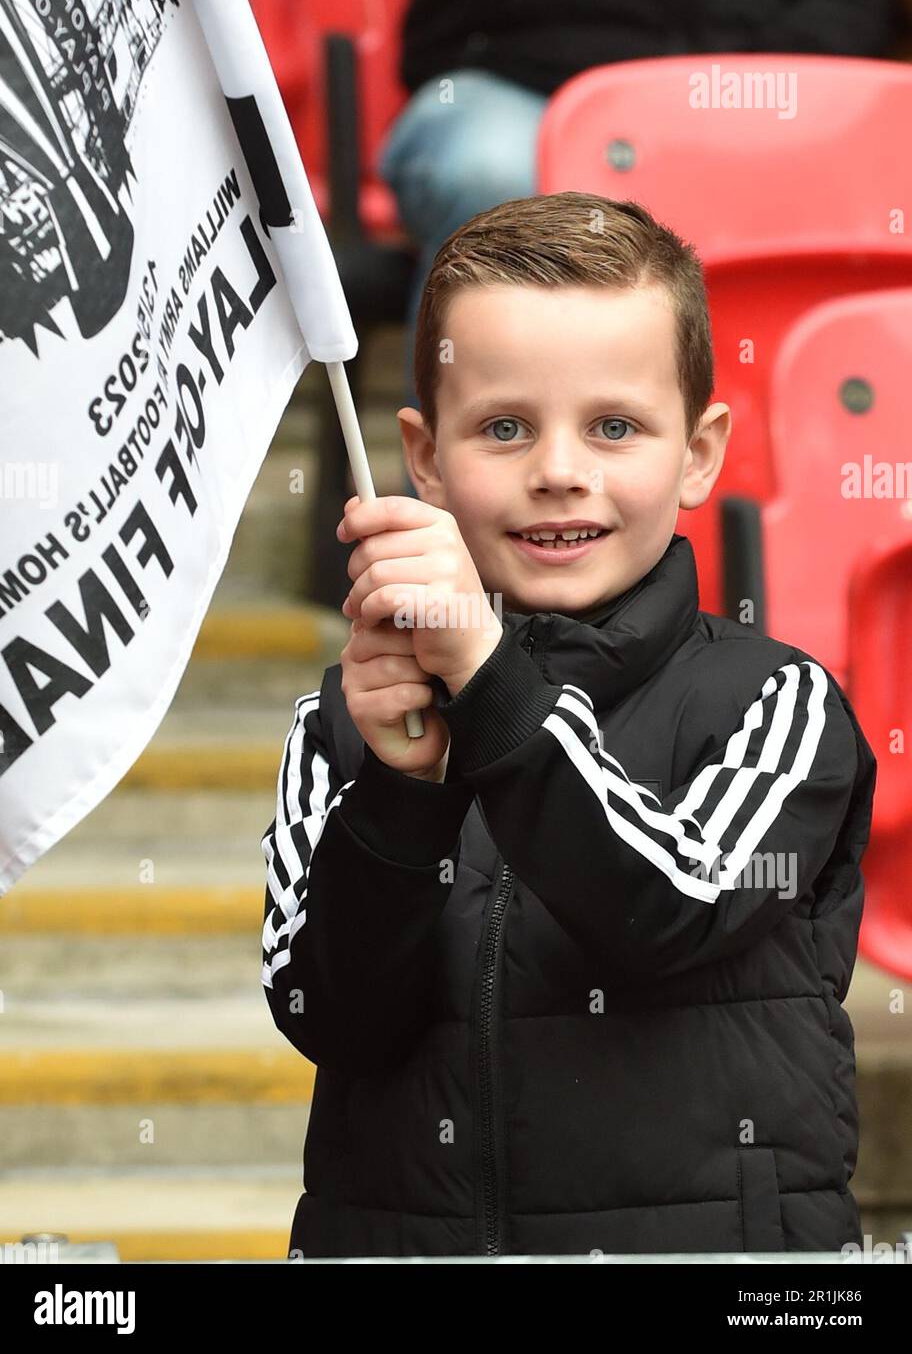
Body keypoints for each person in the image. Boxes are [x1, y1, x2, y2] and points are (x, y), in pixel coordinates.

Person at [260, 192, 876, 1257]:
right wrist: (403, 794)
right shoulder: (341, 724)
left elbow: (668, 907)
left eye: (614, 425)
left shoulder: (778, 703)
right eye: (503, 426)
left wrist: (489, 681)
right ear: (422, 454)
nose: (557, 469)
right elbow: (329, 1015)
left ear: (699, 451)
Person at [377, 0, 906, 494]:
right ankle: (453, 527)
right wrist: (609, 108)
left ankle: (829, 498)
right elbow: (438, 35)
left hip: (754, 93)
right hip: (527, 87)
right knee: (486, 172)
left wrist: (747, 90)